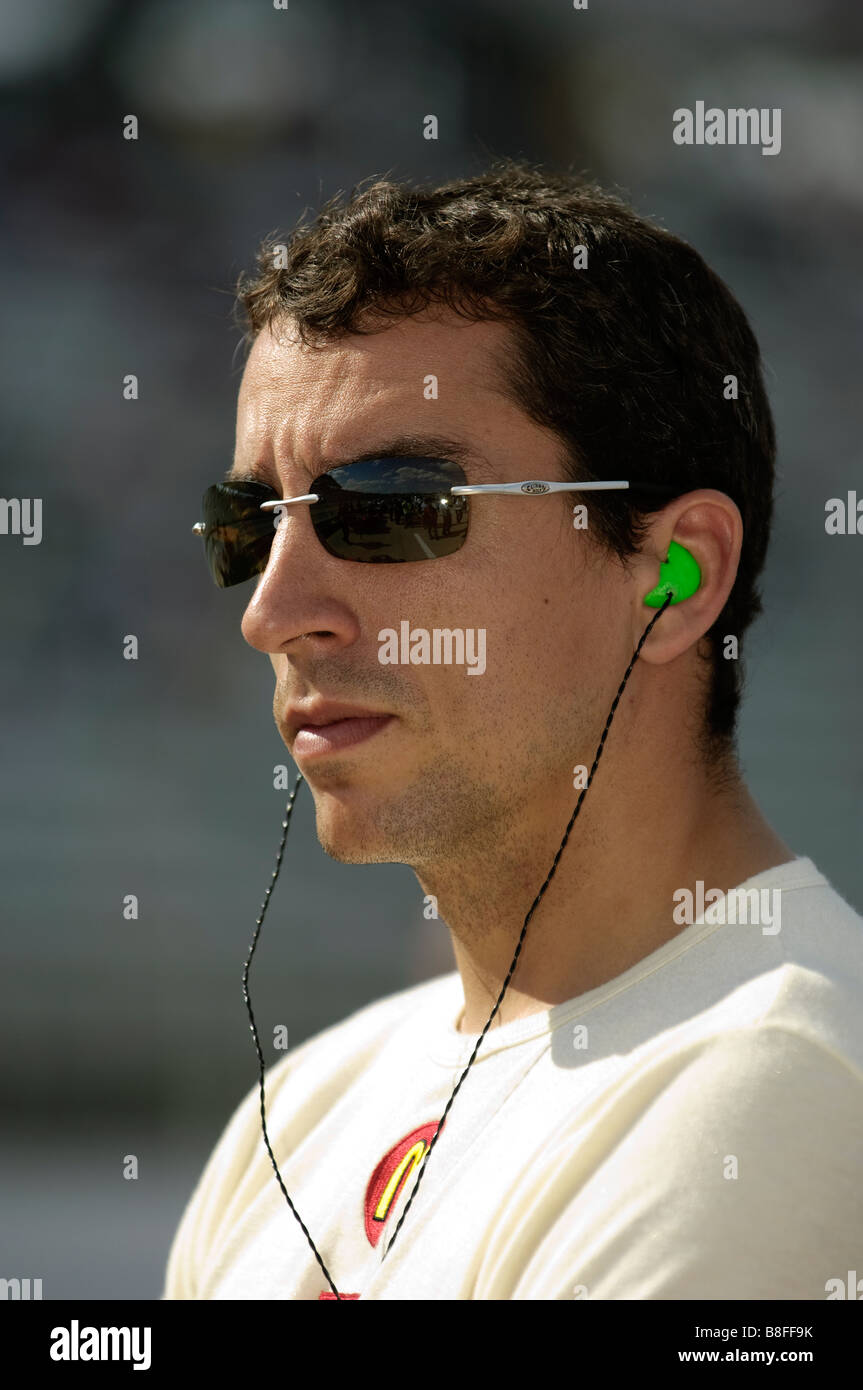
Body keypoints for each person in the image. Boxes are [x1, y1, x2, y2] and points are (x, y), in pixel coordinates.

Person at [165, 159, 863, 1300]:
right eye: (248, 526)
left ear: (674, 574)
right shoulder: (297, 1113)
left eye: (388, 510)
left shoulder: (773, 1090)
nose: (271, 614)